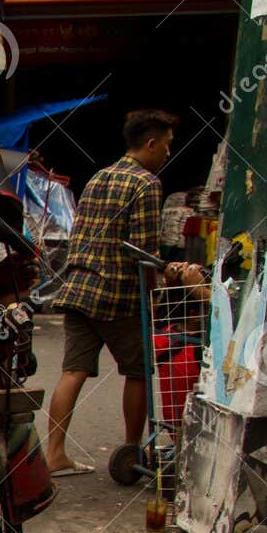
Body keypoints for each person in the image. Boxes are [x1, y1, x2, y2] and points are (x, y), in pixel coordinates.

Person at [44, 109, 201, 475]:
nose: (168, 152)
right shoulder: (147, 184)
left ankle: (54, 454)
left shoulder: (98, 177)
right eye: (166, 145)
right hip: (116, 294)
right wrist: (157, 292)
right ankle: (132, 450)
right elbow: (143, 252)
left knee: (73, 372)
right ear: (150, 144)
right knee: (138, 370)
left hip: (78, 287)